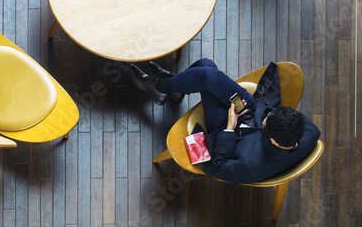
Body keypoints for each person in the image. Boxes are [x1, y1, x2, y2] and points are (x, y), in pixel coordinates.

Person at [128, 58, 320, 184]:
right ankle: (169, 89)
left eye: (267, 122)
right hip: (249, 111)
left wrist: (229, 128)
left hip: (228, 130)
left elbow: (217, 168)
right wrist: (257, 115)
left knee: (205, 70)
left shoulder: (251, 167)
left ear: (274, 141)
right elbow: (271, 118)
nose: (267, 118)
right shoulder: (309, 132)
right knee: (206, 69)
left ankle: (162, 87)